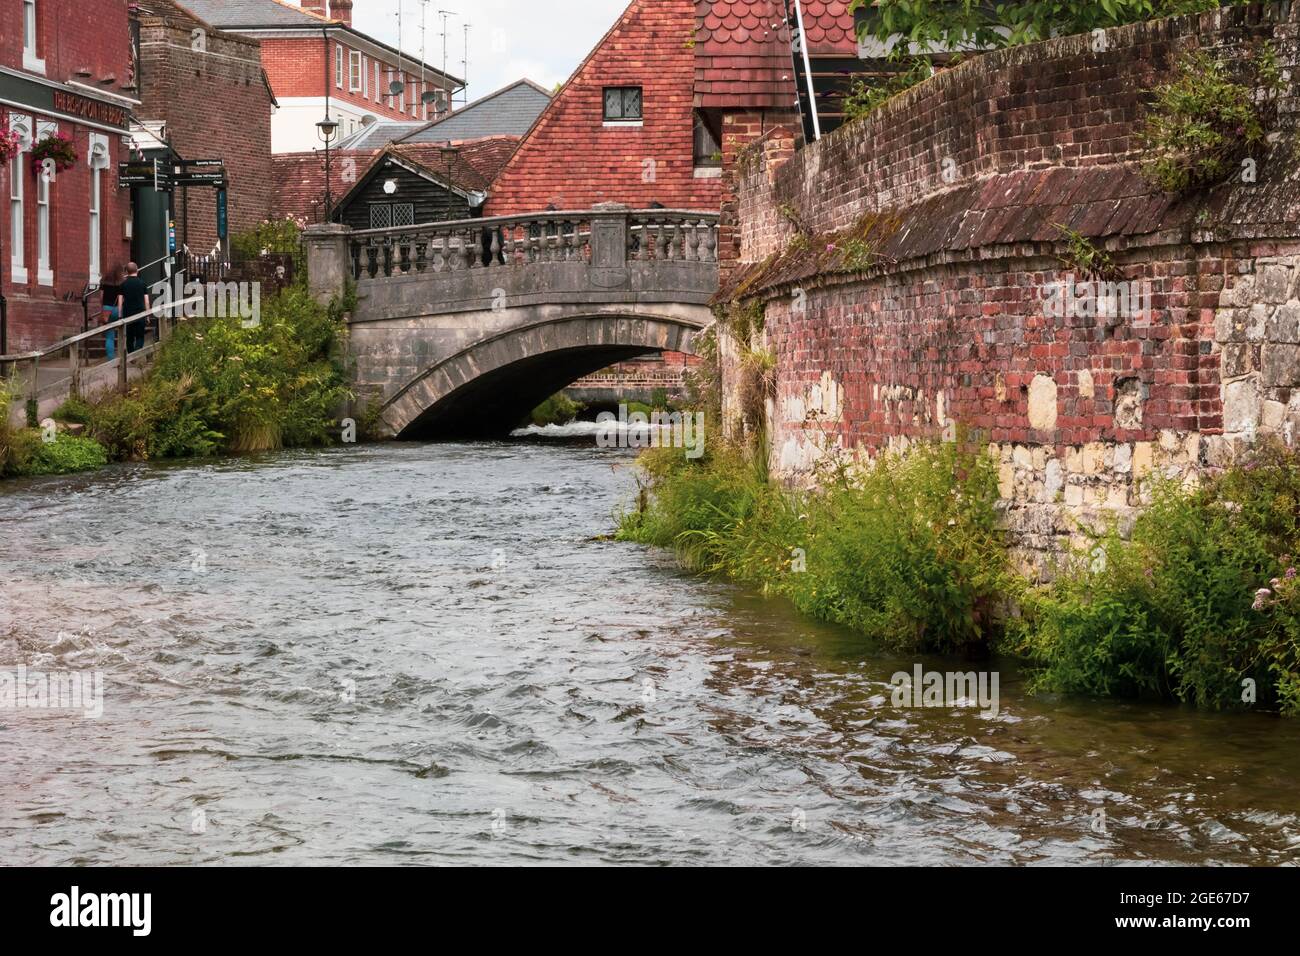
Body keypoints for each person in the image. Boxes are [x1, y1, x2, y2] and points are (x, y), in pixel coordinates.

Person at [116, 262, 150, 355]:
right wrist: (147, 315)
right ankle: (137, 353)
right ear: (137, 270)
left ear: (127, 271)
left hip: (128, 314)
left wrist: (119, 316)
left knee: (130, 337)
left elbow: (120, 302)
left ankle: (131, 355)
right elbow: (146, 301)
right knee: (140, 336)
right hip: (140, 314)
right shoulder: (142, 283)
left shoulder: (123, 284)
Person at [99, 265, 123, 360]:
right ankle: (123, 356)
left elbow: (101, 297)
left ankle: (110, 359)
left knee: (109, 336)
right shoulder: (121, 283)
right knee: (122, 333)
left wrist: (103, 306)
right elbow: (122, 298)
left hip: (107, 309)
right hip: (118, 309)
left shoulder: (104, 282)